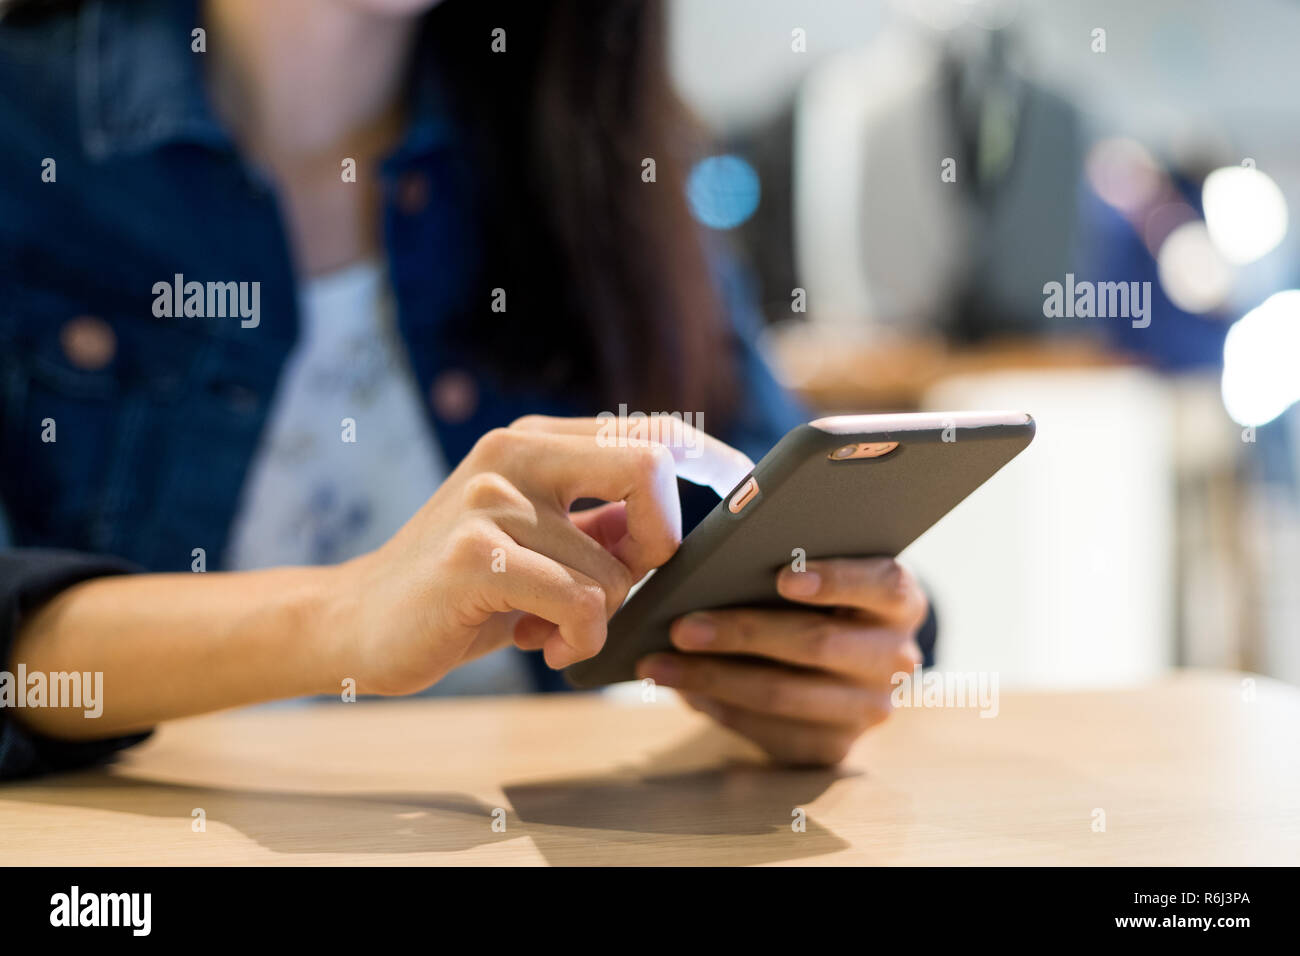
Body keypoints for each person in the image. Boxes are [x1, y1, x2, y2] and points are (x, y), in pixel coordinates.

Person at [0, 0, 933, 779]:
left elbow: (781, 509)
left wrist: (825, 658)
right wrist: (346, 613)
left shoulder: (592, 140)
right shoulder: (23, 135)